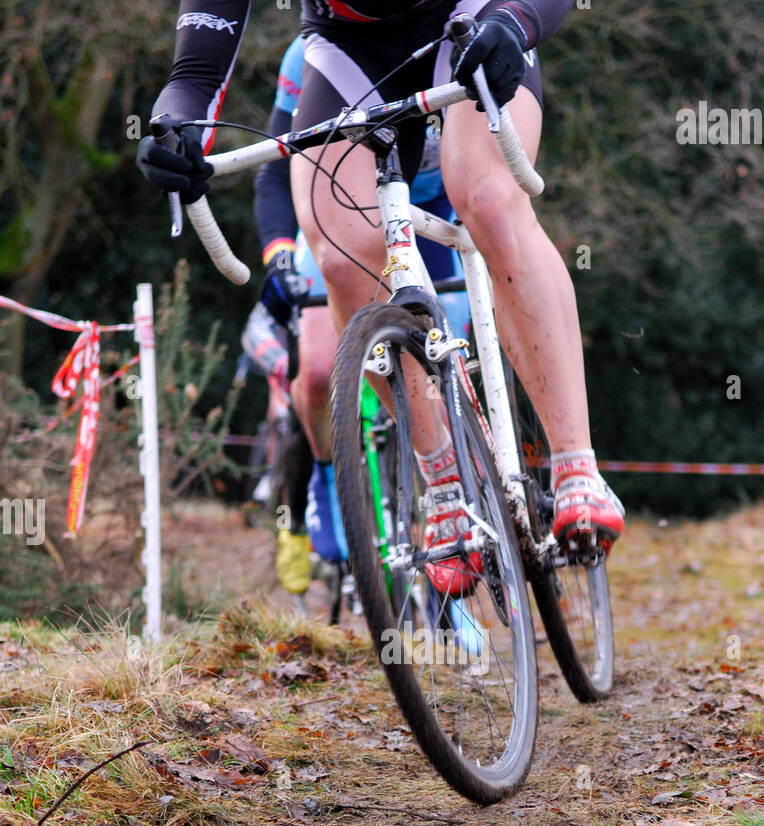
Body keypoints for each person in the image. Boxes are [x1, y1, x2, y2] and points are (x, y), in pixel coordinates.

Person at [137, 2, 623, 599]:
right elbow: (198, 67)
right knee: (339, 253)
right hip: (349, 48)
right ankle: (443, 479)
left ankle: (577, 467)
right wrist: (176, 118)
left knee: (489, 198)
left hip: (470, 14)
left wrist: (518, 20)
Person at [247, 32, 471, 599]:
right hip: (343, 207)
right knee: (319, 372)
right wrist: (277, 256)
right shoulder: (311, 52)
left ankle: (472, 511)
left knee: (451, 372)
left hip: (436, 212)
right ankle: (328, 473)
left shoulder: (443, 27)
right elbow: (274, 169)